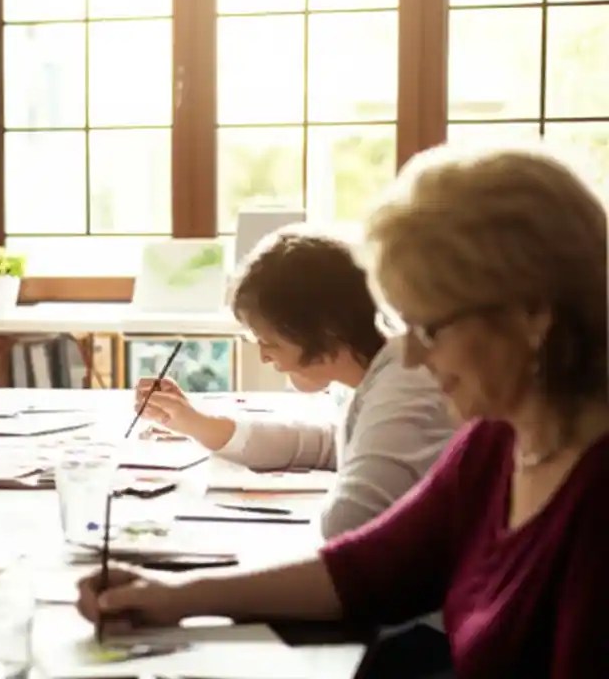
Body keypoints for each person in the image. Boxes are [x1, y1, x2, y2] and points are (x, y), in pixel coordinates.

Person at [77, 145, 609, 678]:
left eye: (430, 327)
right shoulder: (496, 441)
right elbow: (365, 571)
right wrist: (174, 597)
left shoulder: (594, 493)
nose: (414, 355)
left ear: (532, 312)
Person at [136, 227, 456, 537]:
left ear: (326, 331)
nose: (263, 357)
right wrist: (195, 423)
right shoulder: (380, 376)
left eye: (269, 343)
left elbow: (349, 525)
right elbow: (324, 445)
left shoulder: (405, 384)